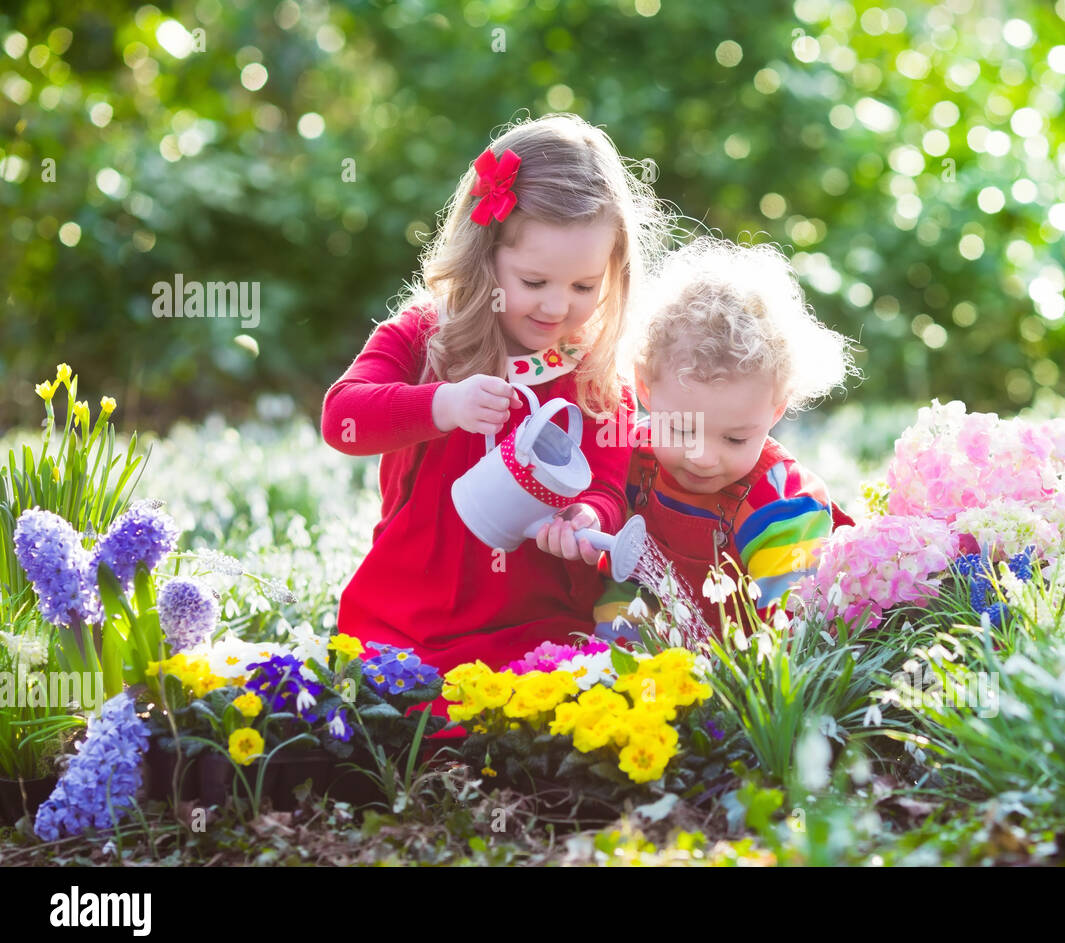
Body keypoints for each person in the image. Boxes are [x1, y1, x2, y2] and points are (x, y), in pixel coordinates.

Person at [321, 114, 669, 731]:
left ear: (614, 273)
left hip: (532, 621)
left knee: (552, 717)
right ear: (485, 258)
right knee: (384, 716)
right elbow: (342, 418)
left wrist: (587, 518)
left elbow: (610, 486)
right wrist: (440, 406)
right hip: (411, 612)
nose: (558, 306)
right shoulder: (426, 338)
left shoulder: (593, 373)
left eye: (585, 285)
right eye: (533, 281)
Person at [592, 237, 858, 641]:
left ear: (776, 410)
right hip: (662, 674)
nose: (703, 457)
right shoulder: (631, 461)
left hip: (749, 678)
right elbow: (629, 580)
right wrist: (618, 655)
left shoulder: (782, 503)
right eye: (681, 429)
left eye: (735, 439)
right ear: (644, 387)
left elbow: (793, 627)